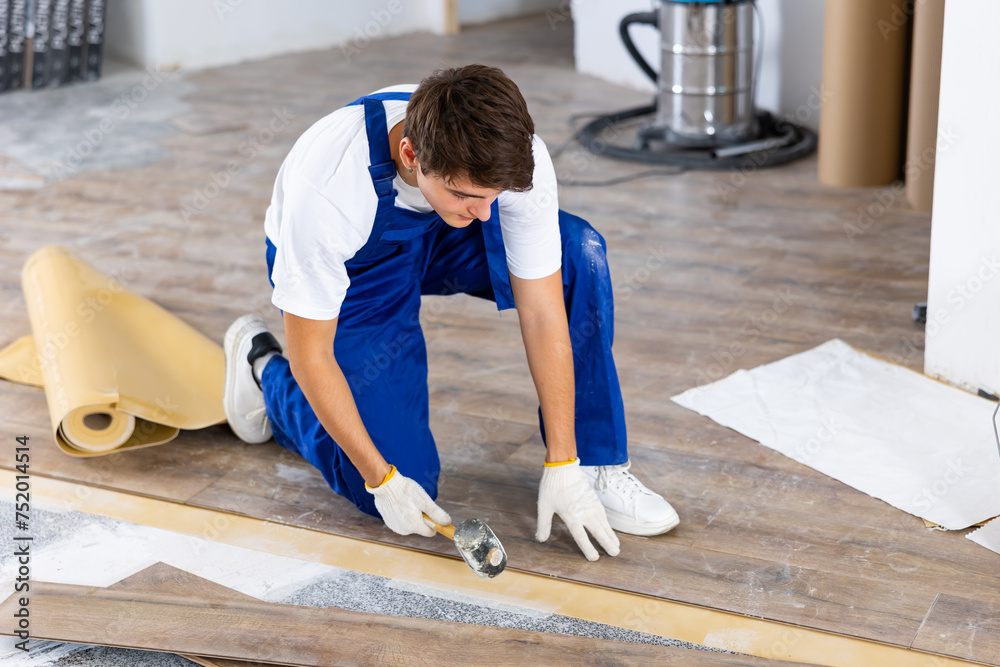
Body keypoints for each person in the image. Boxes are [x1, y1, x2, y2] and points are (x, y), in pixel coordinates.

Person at [223, 64, 678, 561]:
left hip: (439, 233)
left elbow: (544, 314)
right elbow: (313, 356)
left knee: (578, 252)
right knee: (400, 482)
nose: (485, 216)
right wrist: (382, 480)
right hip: (360, 269)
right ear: (410, 155)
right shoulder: (330, 188)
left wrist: (562, 460)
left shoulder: (508, 169)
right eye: (467, 195)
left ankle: (592, 466)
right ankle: (263, 370)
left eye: (492, 198)